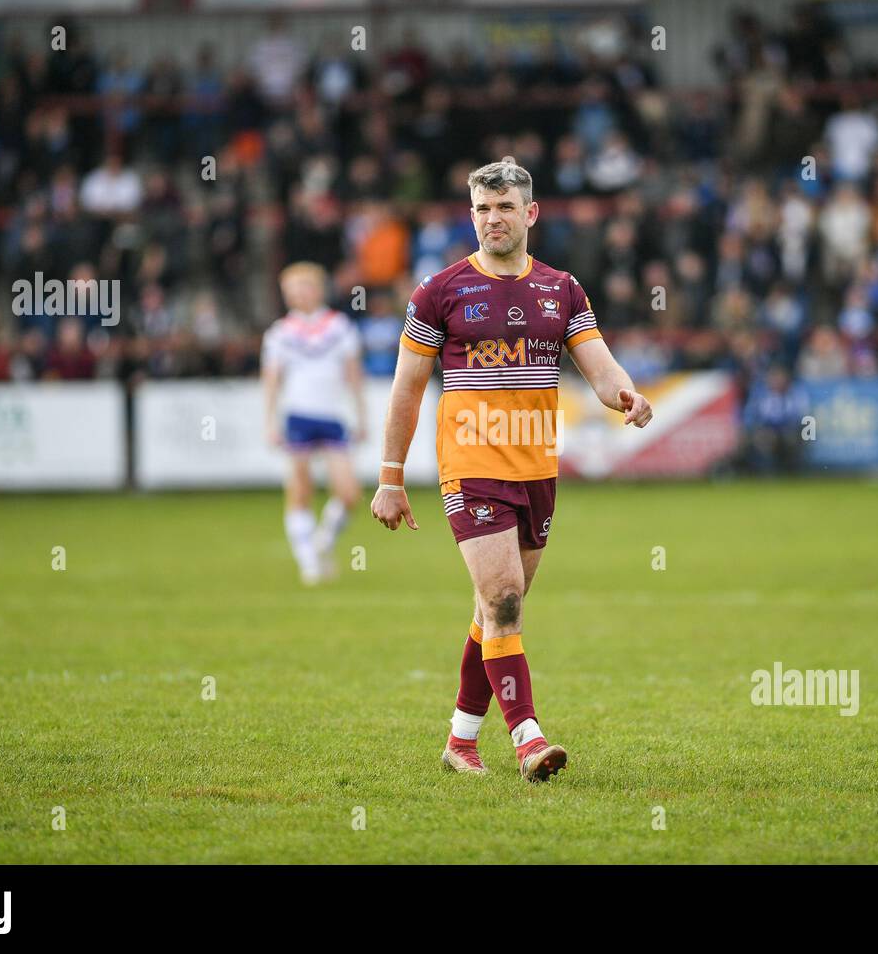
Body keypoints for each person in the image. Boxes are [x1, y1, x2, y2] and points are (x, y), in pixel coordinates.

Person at [369, 158, 653, 782]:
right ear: (470, 215)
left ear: (531, 213)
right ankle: (528, 739)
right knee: (502, 600)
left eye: (503, 208)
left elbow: (599, 366)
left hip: (536, 468)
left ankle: (460, 741)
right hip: (471, 465)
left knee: (494, 609)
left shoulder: (562, 288)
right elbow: (406, 389)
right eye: (481, 209)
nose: (491, 219)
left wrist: (626, 394)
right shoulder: (438, 291)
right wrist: (391, 477)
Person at [261, 263, 366, 585]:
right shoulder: (280, 332)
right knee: (300, 489)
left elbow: (353, 374)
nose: (297, 295)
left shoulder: (339, 327)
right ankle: (308, 561)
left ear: (318, 289)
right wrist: (270, 420)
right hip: (298, 415)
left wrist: (361, 415)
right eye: (291, 290)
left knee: (349, 493)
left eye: (303, 287)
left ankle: (323, 540)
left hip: (332, 415)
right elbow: (272, 379)